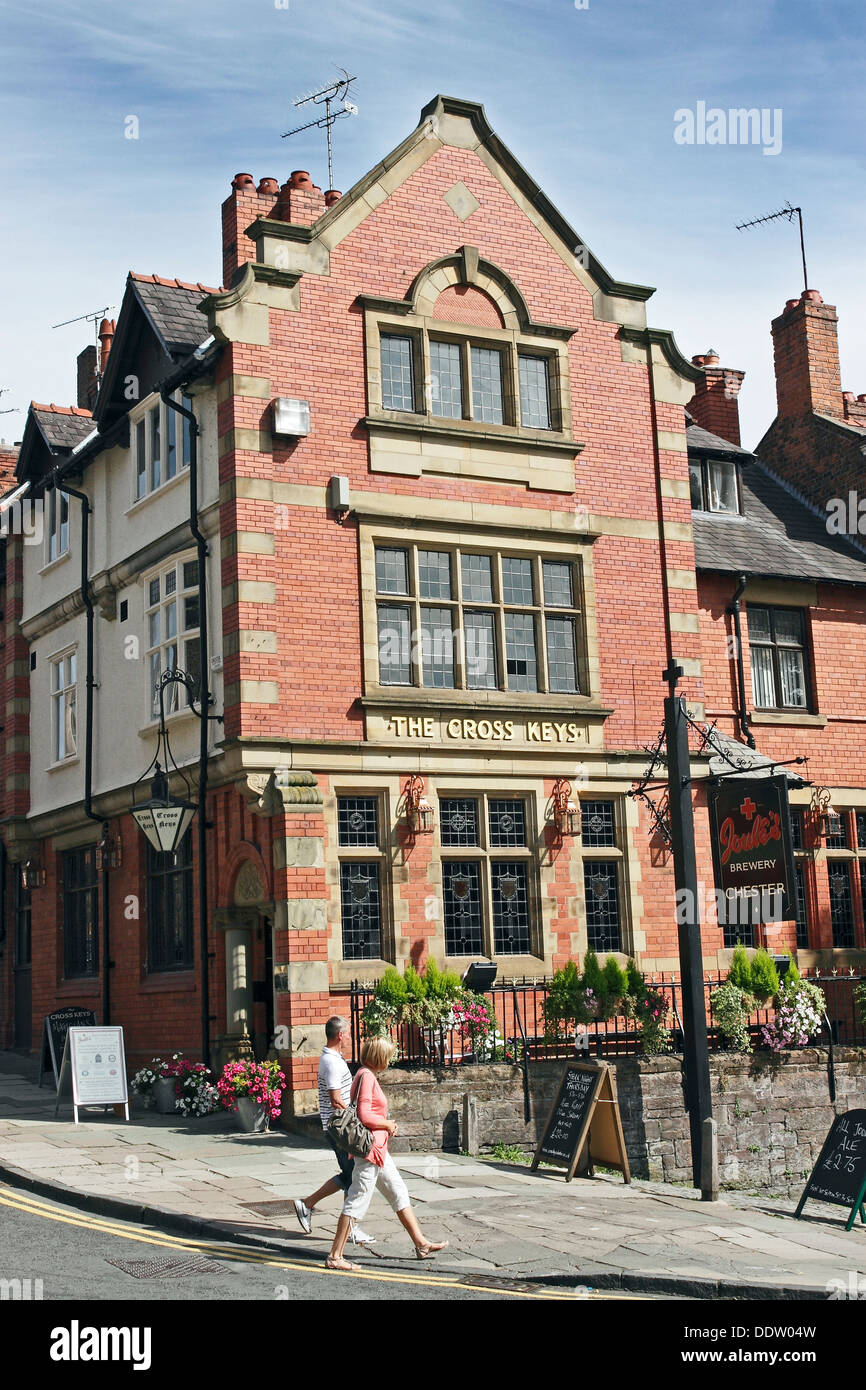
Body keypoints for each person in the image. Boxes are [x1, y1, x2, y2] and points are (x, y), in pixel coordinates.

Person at [326, 1036, 449, 1272]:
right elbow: (364, 1116)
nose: (391, 1060)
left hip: (379, 1152)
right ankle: (335, 1256)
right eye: (389, 1056)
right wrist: (387, 1124)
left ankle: (421, 1244)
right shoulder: (367, 1076)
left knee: (398, 1191)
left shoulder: (364, 1074)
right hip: (370, 1152)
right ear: (380, 1057)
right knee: (357, 1200)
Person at [293, 1015, 375, 1247]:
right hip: (339, 1129)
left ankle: (318, 1210)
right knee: (352, 1177)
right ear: (340, 1035)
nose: (350, 1037)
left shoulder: (334, 1058)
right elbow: (335, 1099)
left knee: (351, 1176)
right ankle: (311, 1206)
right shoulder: (331, 1062)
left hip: (340, 1127)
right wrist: (357, 1120)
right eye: (348, 1033)